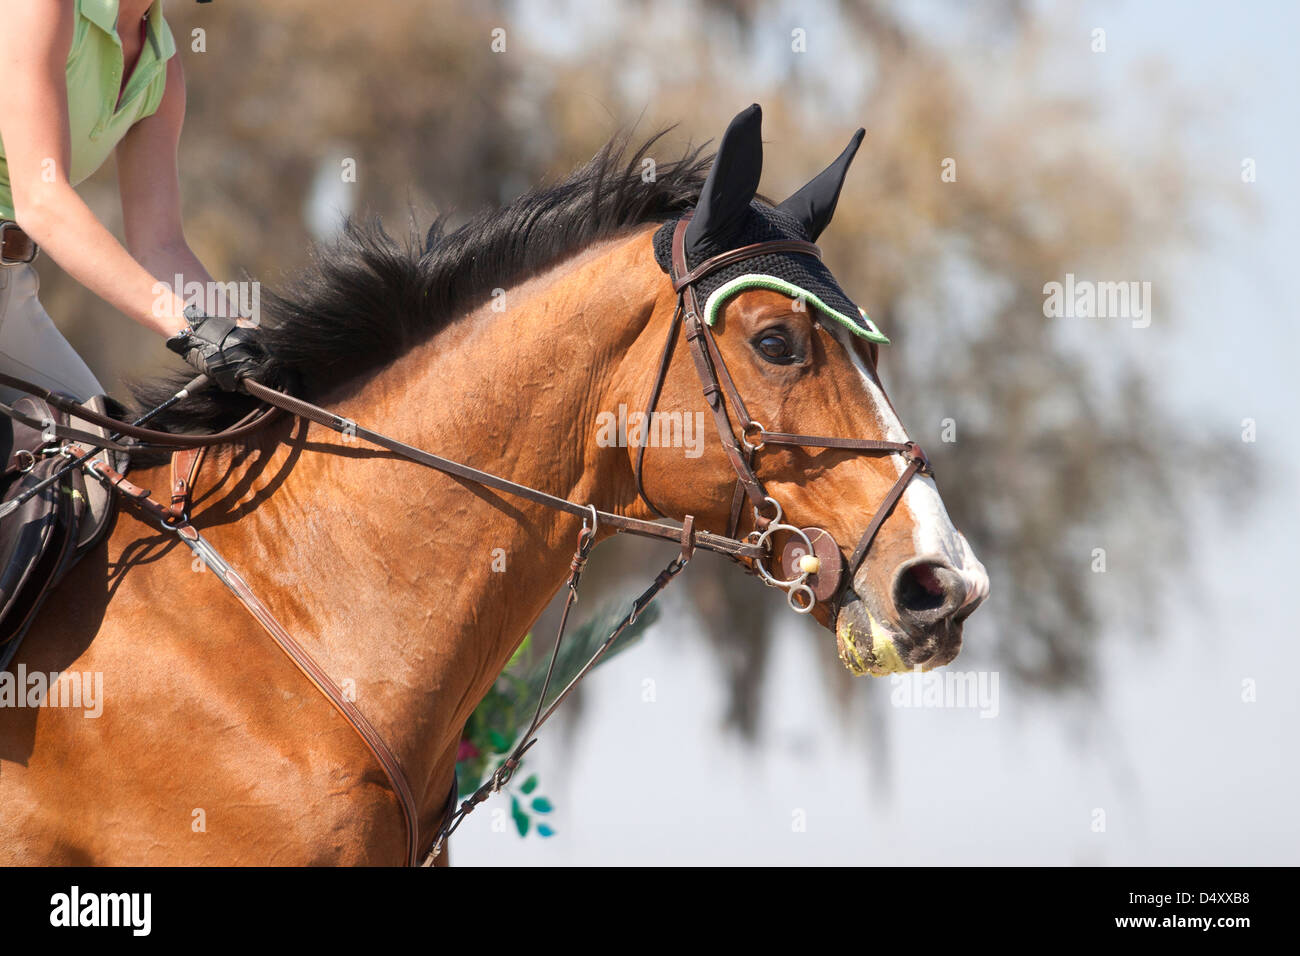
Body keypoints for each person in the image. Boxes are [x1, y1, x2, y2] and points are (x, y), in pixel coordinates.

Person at [0, 0, 262, 408]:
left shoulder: (162, 64)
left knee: (100, 459)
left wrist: (248, 338)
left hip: (9, 285)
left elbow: (161, 245)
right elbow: (40, 198)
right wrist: (188, 326)